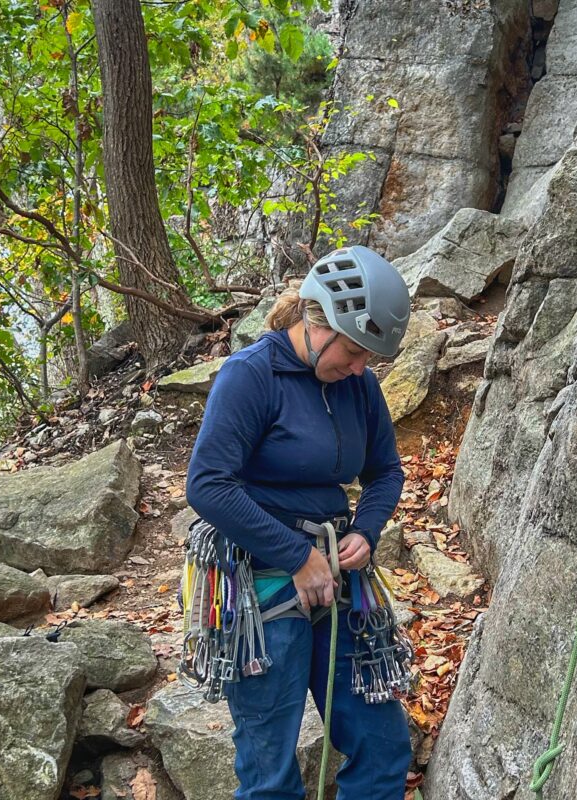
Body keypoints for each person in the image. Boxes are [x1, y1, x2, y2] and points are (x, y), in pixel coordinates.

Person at [186, 245, 413, 800]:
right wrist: (298, 557)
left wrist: (367, 529)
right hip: (260, 583)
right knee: (269, 774)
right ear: (316, 321)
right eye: (355, 351)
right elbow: (208, 484)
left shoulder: (358, 386)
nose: (361, 368)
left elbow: (385, 472)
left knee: (383, 748)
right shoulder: (251, 375)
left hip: (339, 576)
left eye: (370, 358)